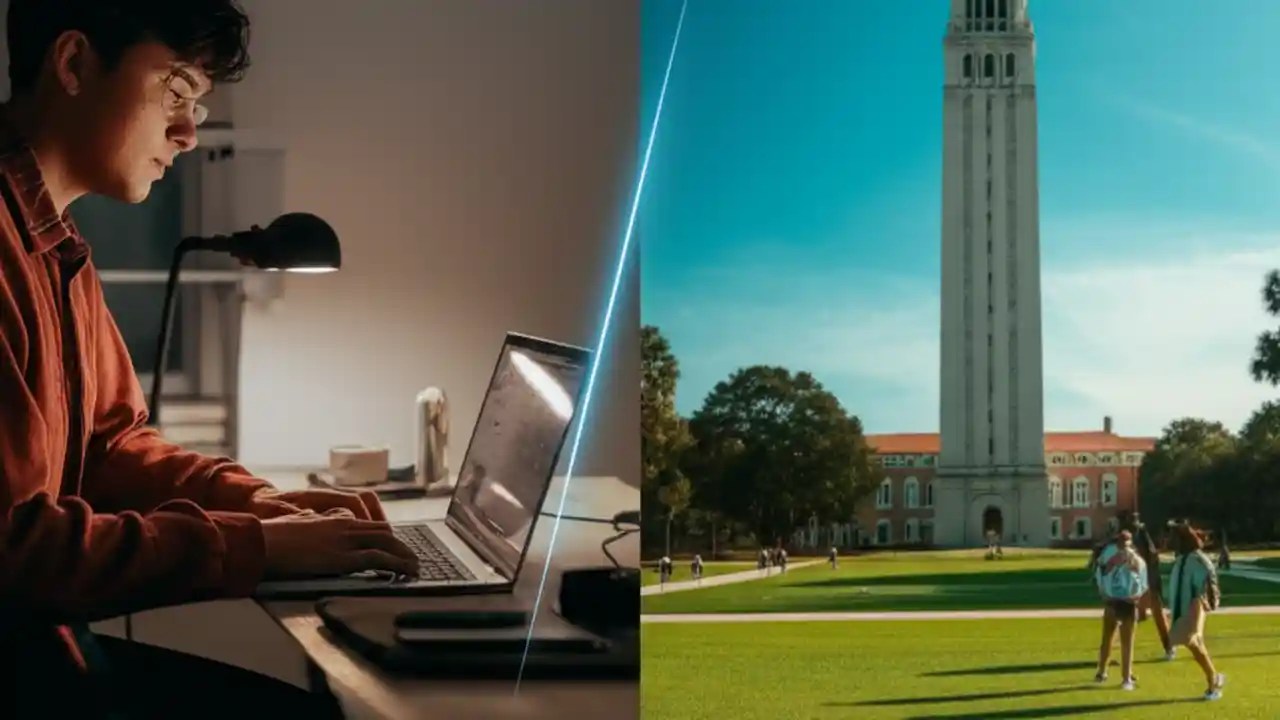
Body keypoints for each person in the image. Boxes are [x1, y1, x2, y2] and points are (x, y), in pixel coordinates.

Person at [0, 2, 420, 716]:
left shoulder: (54, 240)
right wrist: (257, 546)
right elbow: (15, 549)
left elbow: (111, 443)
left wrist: (255, 500)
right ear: (72, 64)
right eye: (176, 91)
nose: (189, 133)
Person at [1167, 523, 1227, 701]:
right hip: (1184, 605)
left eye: (1174, 538)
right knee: (1193, 642)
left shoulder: (1197, 559)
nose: (1171, 541)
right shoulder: (1182, 559)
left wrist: (1209, 601)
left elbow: (1210, 580)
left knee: (1191, 639)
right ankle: (1213, 678)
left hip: (1195, 603)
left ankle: (1213, 680)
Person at [1093, 530, 1149, 691]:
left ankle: (1107, 672)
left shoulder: (1110, 555)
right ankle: (1121, 677)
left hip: (1118, 600)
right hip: (1122, 601)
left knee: (1113, 638)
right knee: (1122, 640)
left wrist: (1104, 592)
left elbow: (1100, 575)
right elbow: (1142, 582)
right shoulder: (1130, 558)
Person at [1118, 510, 1174, 661]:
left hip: (1147, 580)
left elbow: (1149, 559)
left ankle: (1169, 647)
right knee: (1135, 614)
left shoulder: (1139, 536)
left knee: (1156, 613)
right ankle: (1124, 651)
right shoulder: (1137, 536)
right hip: (1139, 581)